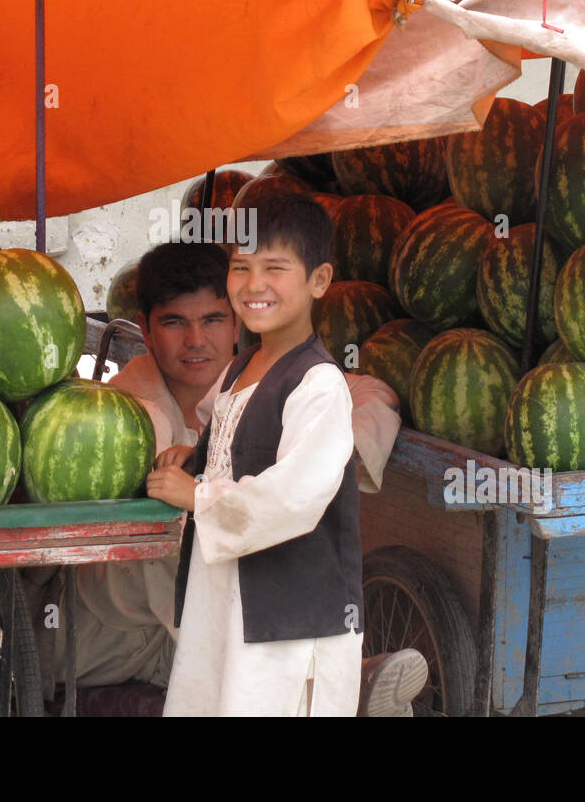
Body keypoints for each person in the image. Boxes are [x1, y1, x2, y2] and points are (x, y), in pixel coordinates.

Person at [50, 238, 425, 716]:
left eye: (212, 320)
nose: (195, 341)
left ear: (237, 323)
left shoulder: (259, 378)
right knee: (186, 531)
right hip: (110, 638)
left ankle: (323, 678)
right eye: (174, 323)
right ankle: (335, 685)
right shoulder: (129, 410)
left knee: (275, 526)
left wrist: (312, 457)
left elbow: (370, 390)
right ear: (144, 330)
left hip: (206, 632)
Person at [147, 194, 385, 716]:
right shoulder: (241, 367)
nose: (253, 285)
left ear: (319, 280)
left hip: (289, 622)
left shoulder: (320, 384)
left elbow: (294, 497)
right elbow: (239, 447)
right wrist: (197, 457)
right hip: (231, 605)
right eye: (241, 267)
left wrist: (198, 496)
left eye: (275, 268)